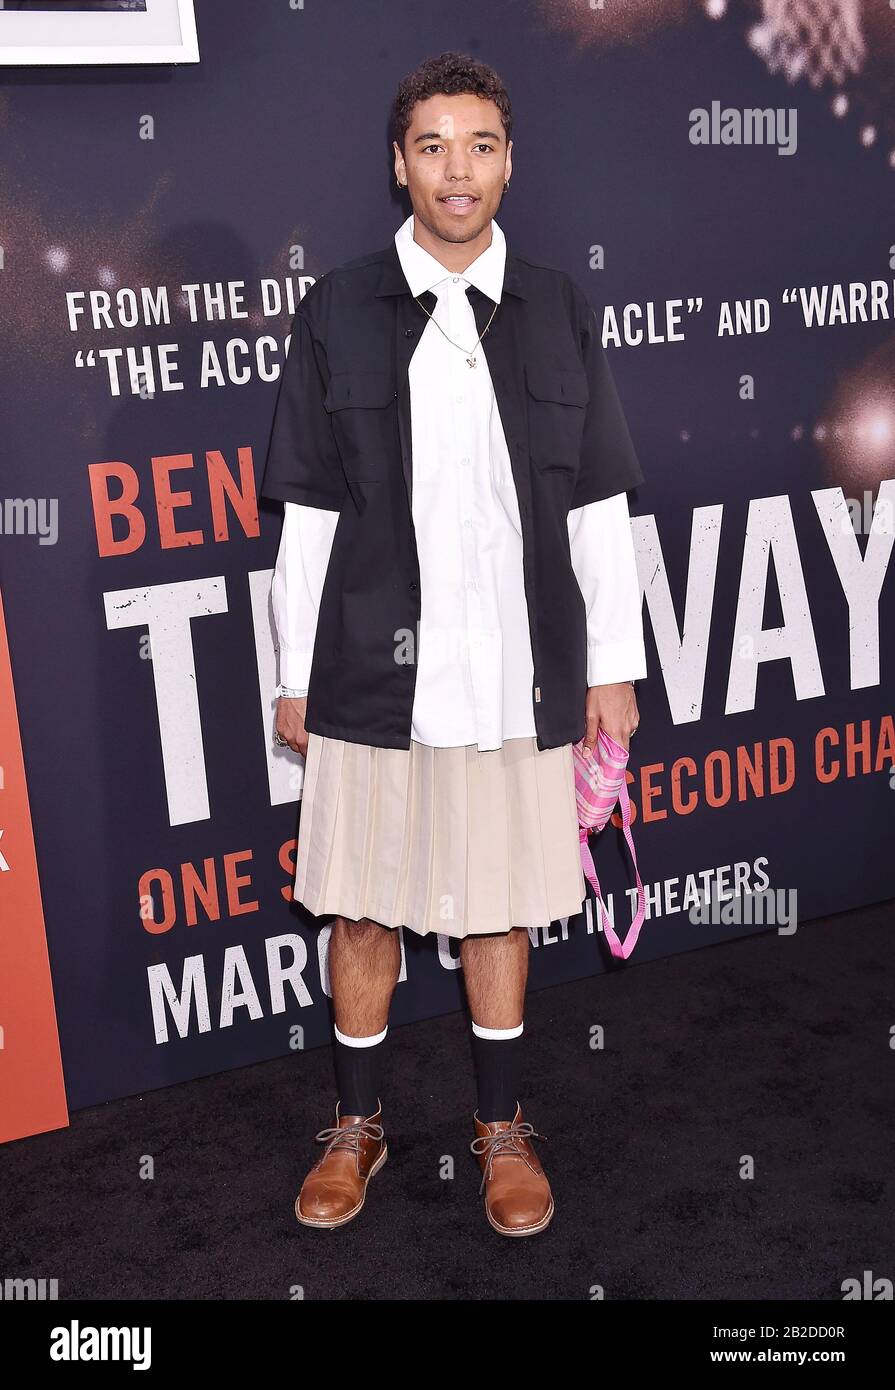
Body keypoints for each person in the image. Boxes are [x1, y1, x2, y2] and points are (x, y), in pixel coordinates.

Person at [260, 51, 646, 1238]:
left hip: (515, 674)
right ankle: (358, 1124)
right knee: (362, 909)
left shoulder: (560, 305)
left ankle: (499, 1125)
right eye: (431, 146)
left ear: (508, 161)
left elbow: (596, 504)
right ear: (399, 165)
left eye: (478, 144)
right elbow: (309, 515)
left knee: (497, 912)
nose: (455, 169)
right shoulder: (336, 309)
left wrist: (612, 665)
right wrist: (294, 678)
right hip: (371, 675)